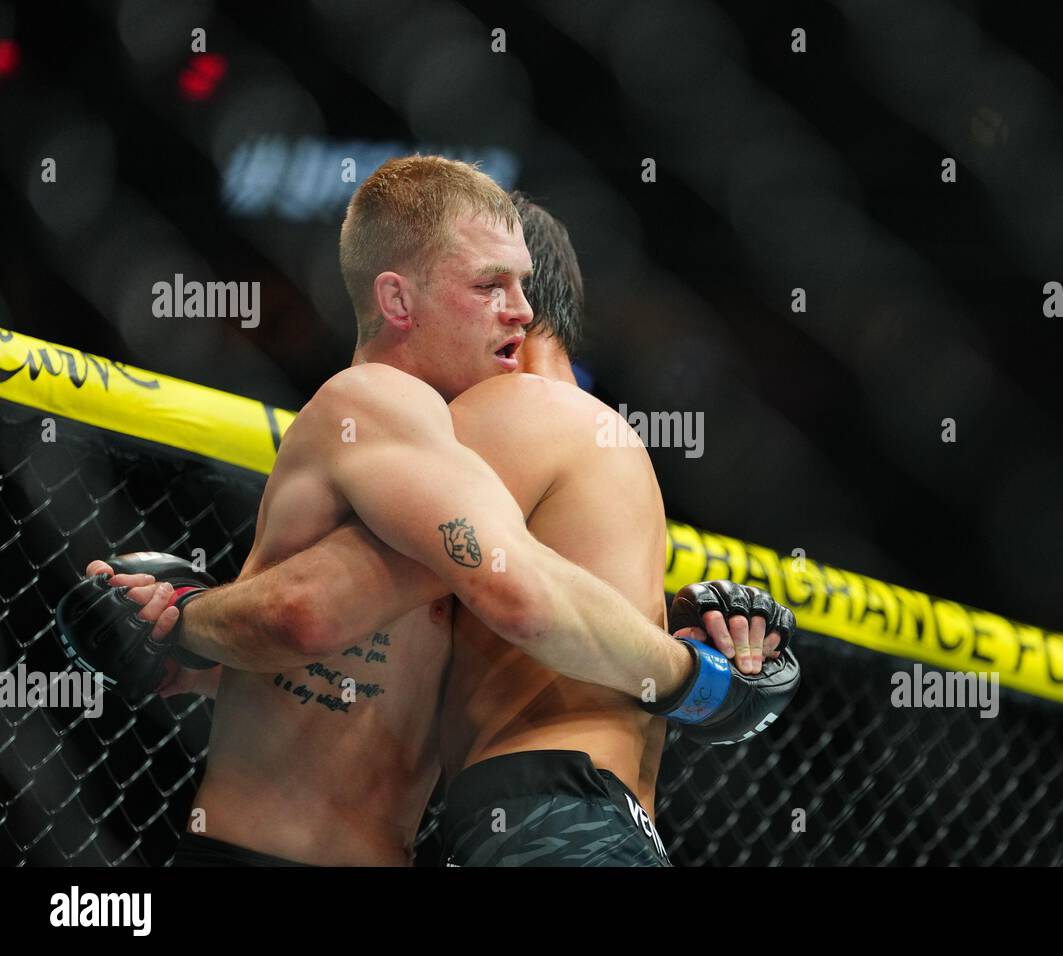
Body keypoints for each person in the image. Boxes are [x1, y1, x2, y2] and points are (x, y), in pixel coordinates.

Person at [60, 162, 797, 867]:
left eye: (522, 285)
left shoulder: (443, 474)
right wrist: (698, 678)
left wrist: (191, 633)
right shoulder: (378, 401)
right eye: (490, 285)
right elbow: (329, 613)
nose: (520, 308)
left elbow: (351, 658)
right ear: (400, 300)